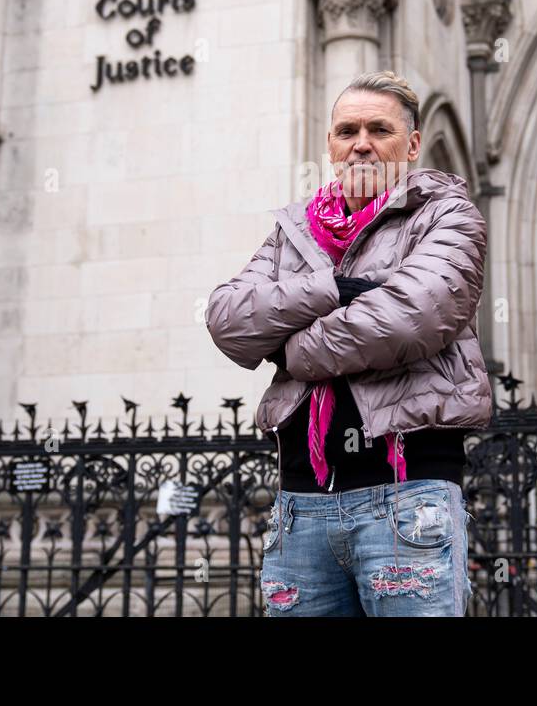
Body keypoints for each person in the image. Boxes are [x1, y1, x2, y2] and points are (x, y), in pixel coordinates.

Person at [205, 70, 492, 616]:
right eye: (346, 130)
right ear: (331, 145)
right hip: (298, 507)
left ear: (409, 145)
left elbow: (411, 317)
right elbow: (228, 319)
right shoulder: (295, 232)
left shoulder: (447, 215)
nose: (361, 142)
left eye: (378, 129)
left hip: (406, 496)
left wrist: (290, 350)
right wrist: (331, 287)